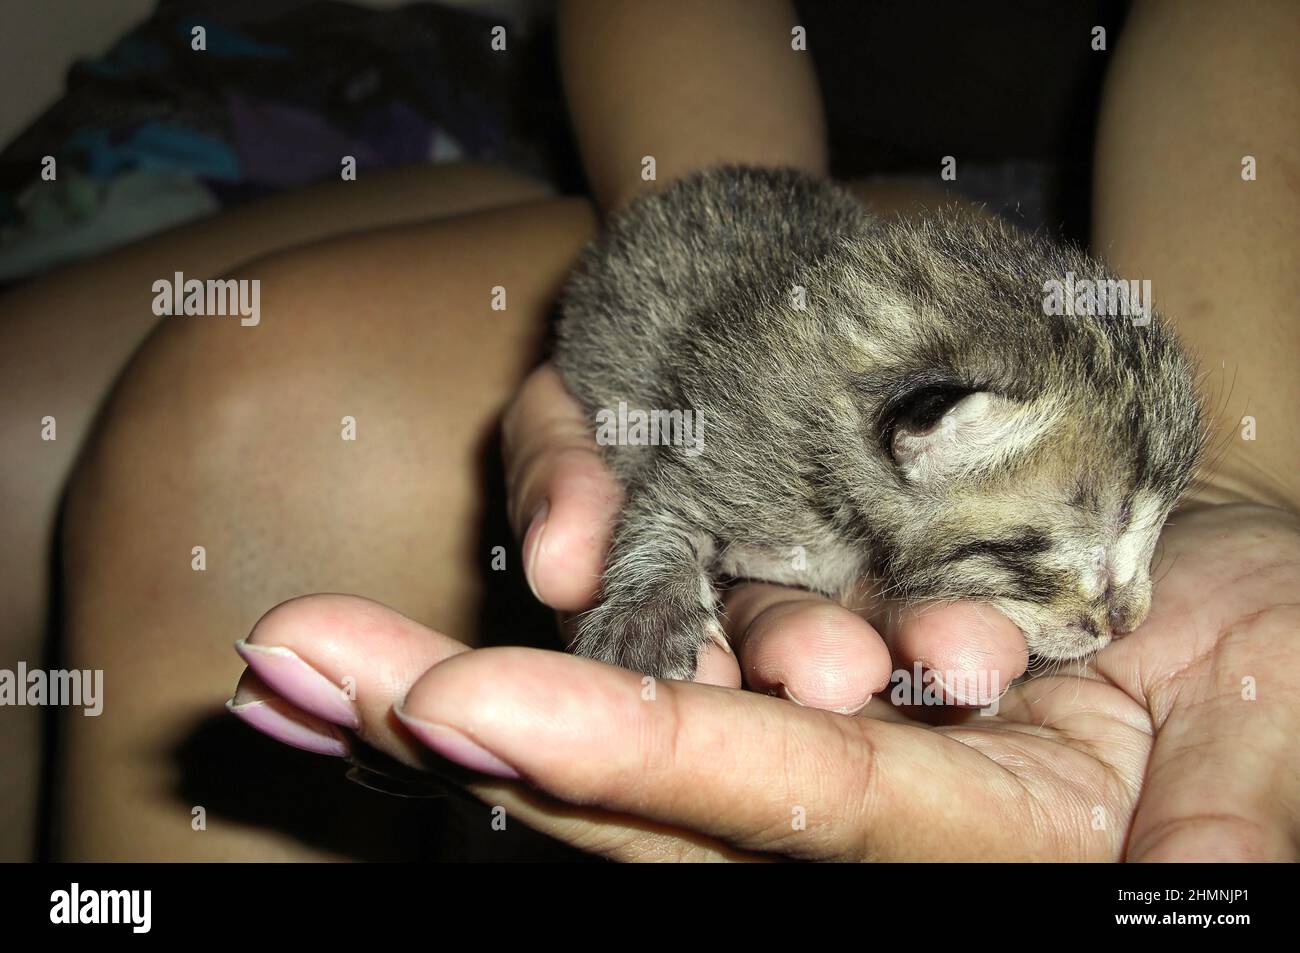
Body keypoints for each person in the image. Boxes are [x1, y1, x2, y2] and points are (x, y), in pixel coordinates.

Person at [6, 0, 1295, 860]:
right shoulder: (900, 411)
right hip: (752, 191)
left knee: (226, 431)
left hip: (1163, 238)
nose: (1120, 609)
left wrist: (1242, 477)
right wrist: (727, 240)